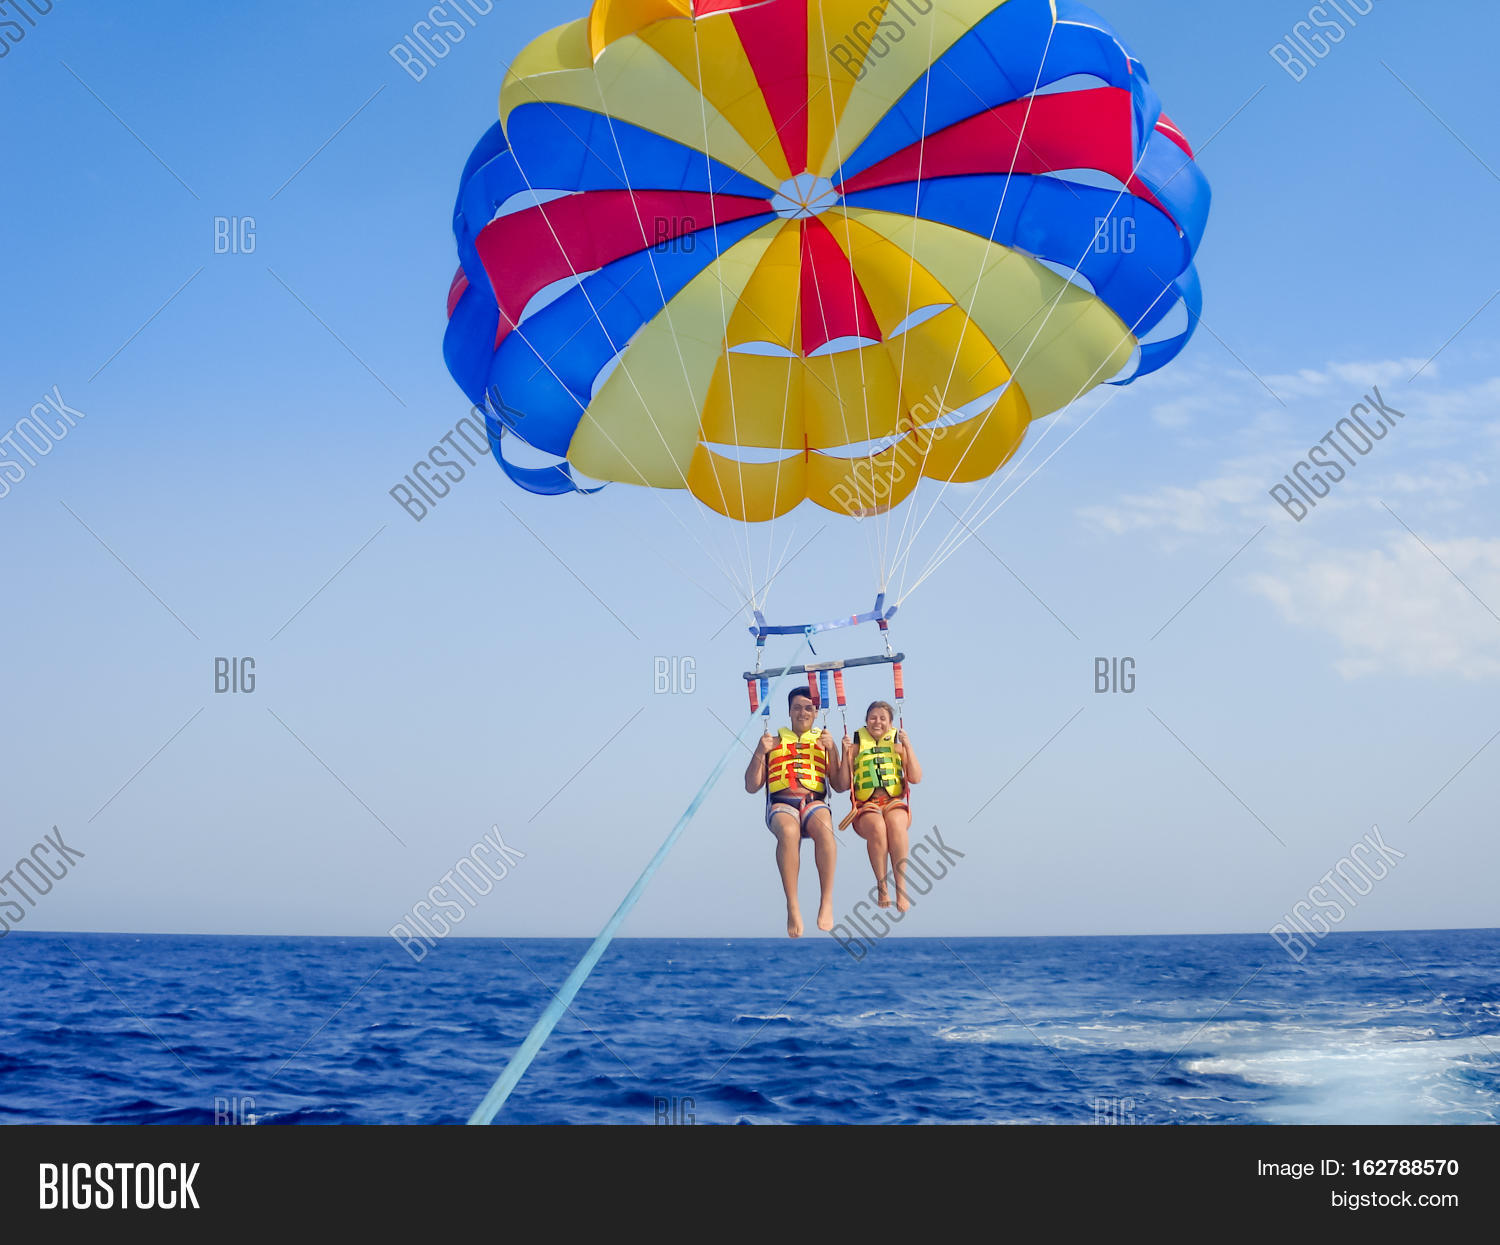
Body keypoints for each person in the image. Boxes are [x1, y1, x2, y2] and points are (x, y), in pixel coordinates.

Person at [744, 686, 845, 938]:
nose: (803, 712)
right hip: (781, 803)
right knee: (789, 832)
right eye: (797, 707)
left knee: (825, 828)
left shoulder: (823, 742)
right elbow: (751, 786)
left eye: (808, 708)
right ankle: (793, 905)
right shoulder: (774, 742)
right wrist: (759, 750)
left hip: (814, 802)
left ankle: (827, 901)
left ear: (815, 712)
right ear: (789, 711)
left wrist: (834, 749)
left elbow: (841, 786)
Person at [840, 701, 922, 911]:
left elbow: (915, 778)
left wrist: (908, 746)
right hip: (866, 806)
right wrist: (844, 753)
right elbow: (841, 785)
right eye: (873, 718)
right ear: (866, 721)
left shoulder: (897, 747)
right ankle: (882, 884)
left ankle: (901, 889)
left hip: (893, 802)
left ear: (890, 723)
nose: (877, 722)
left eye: (882, 718)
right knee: (878, 827)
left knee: (895, 824)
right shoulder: (856, 748)